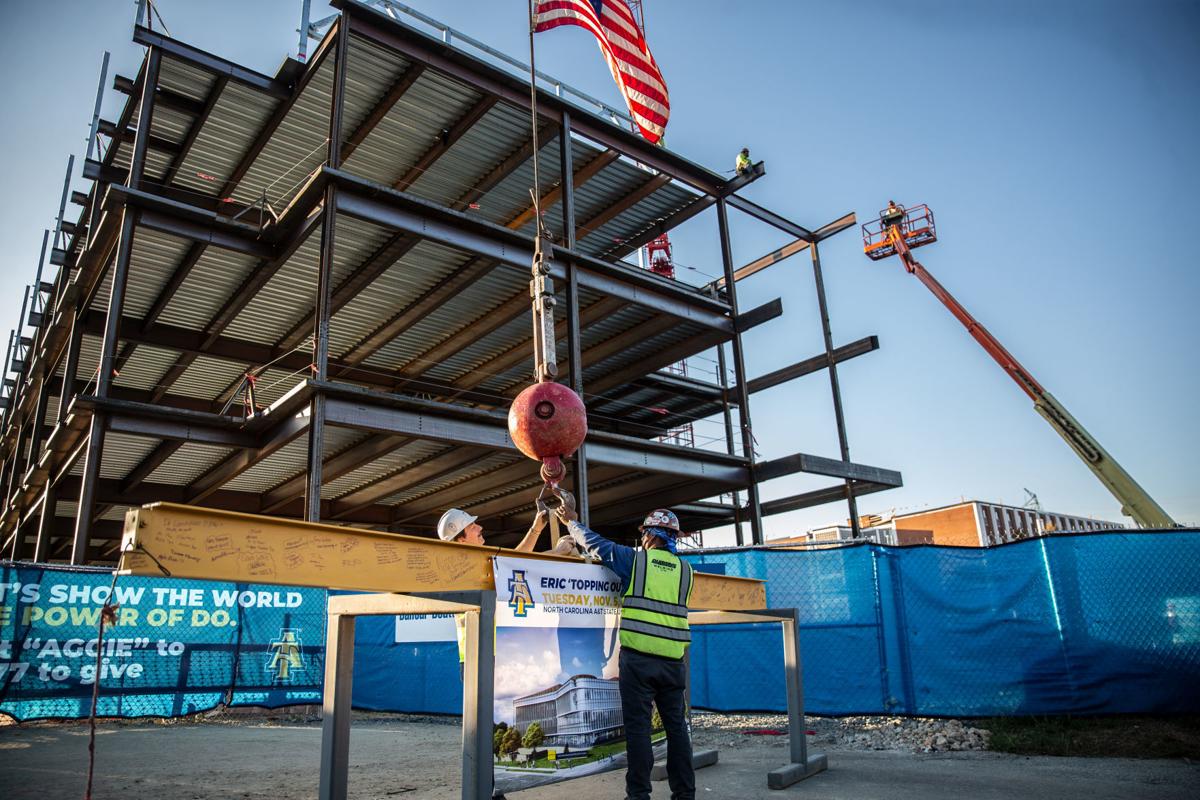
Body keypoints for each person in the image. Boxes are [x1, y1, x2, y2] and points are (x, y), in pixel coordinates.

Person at [555, 504, 695, 800]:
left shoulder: (635, 562)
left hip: (639, 662)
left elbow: (596, 544)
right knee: (677, 730)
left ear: (650, 536)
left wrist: (571, 522)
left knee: (639, 730)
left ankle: (638, 795)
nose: (642, 538)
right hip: (673, 663)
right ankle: (685, 794)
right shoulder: (686, 571)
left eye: (644, 533)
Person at [438, 507, 550, 672]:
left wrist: (558, 551)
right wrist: (536, 530)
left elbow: (514, 563)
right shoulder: (465, 570)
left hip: (489, 654)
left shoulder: (472, 565)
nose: (479, 527)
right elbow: (514, 563)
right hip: (480, 657)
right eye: (472, 526)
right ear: (461, 541)